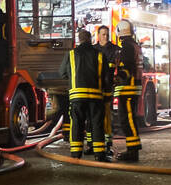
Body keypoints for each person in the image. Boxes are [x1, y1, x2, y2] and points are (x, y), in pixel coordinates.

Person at [60, 29, 110, 161]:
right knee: (96, 124)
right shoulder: (100, 55)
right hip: (96, 96)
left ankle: (76, 154)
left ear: (79, 40)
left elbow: (62, 73)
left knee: (76, 123)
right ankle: (99, 154)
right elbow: (107, 77)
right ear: (91, 39)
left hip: (77, 96)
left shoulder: (71, 54)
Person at [112, 19, 143, 161]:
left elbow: (126, 68)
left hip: (128, 89)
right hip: (130, 88)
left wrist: (117, 78)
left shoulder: (127, 47)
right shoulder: (134, 46)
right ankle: (132, 150)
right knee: (128, 120)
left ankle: (133, 152)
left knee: (128, 120)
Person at [94, 25, 116, 146]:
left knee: (108, 112)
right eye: (103, 34)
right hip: (95, 87)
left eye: (107, 34)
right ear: (98, 36)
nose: (106, 37)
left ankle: (108, 139)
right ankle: (96, 138)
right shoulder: (93, 50)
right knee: (95, 113)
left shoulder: (114, 49)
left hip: (108, 86)